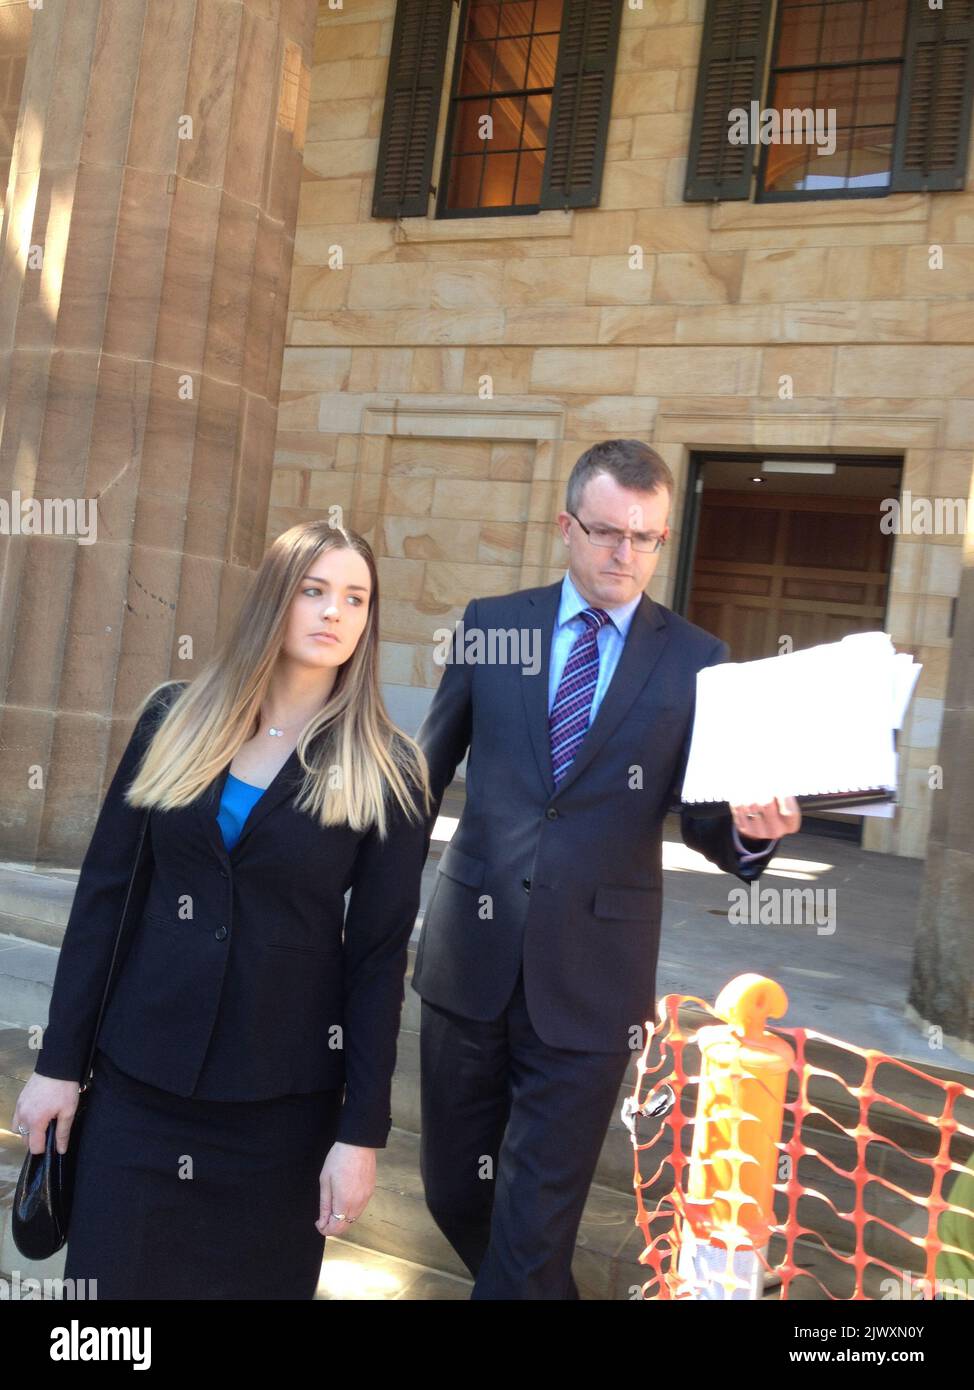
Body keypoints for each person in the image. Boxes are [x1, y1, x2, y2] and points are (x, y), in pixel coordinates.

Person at [413, 438, 802, 1299]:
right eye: (608, 533)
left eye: (648, 538)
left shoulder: (697, 660)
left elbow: (710, 817)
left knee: (532, 1223)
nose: (627, 554)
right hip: (467, 967)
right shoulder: (494, 625)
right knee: (454, 1194)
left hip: (591, 991)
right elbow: (421, 779)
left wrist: (753, 832)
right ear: (566, 527)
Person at [13, 520, 430, 1299]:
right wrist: (58, 1065)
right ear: (275, 597)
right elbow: (106, 901)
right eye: (313, 591)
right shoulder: (175, 718)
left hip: (278, 1114)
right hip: (139, 1091)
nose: (334, 612)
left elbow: (377, 963)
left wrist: (360, 1135)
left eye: (355, 598)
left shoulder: (390, 768)